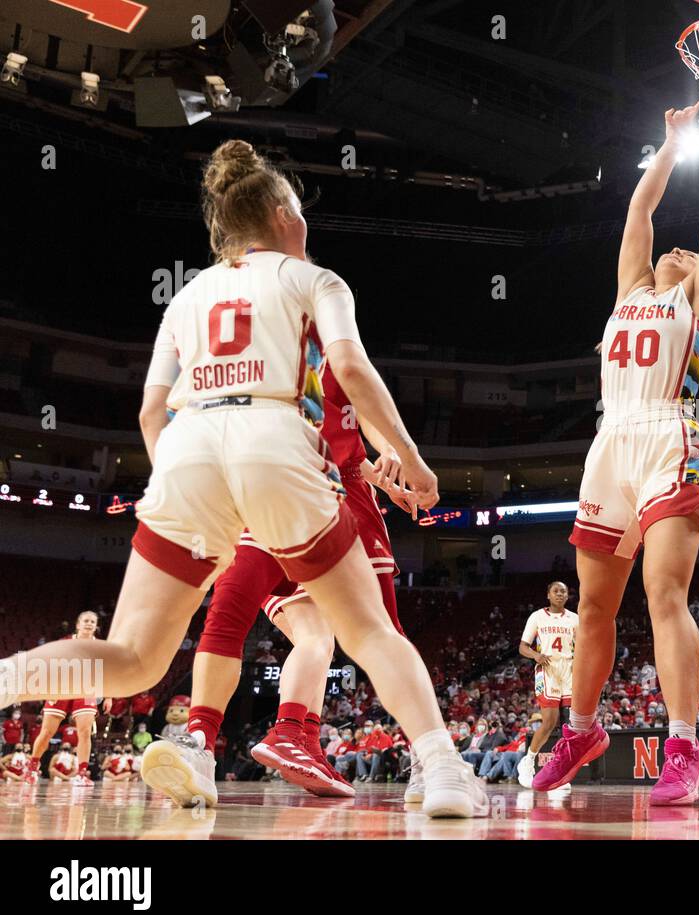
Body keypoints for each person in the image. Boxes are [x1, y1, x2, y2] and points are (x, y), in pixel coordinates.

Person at [0, 140, 484, 819]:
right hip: (275, 437)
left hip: (190, 445)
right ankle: (442, 770)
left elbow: (148, 411)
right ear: (285, 212)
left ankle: (7, 679)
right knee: (367, 629)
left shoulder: (188, 295)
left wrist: (186, 490)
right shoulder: (314, 279)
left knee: (134, 655)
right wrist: (411, 454)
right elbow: (351, 369)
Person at [534, 93, 699, 805]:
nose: (677, 248)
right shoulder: (630, 289)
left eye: (687, 254)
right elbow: (638, 213)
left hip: (669, 433)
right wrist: (673, 143)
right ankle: (584, 728)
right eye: (672, 248)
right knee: (595, 605)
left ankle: (684, 746)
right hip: (610, 441)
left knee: (663, 593)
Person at [168, 340, 419, 807]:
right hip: (272, 488)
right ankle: (200, 741)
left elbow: (358, 432)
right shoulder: (249, 357)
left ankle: (296, 737)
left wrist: (389, 464)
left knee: (330, 637)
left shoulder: (338, 357)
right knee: (233, 617)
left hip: (339, 494)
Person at [24, 611, 106, 787]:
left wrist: (110, 695)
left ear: (96, 626)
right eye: (86, 621)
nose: (89, 624)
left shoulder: (101, 647)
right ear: (78, 624)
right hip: (61, 688)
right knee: (47, 732)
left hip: (86, 689)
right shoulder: (65, 642)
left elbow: (107, 672)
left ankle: (82, 773)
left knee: (84, 733)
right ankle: (32, 768)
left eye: (93, 621)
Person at [516, 581, 578, 789]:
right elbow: (523, 647)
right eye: (556, 591)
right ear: (548, 595)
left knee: (569, 724)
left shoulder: (574, 619)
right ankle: (528, 761)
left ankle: (560, 770)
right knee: (550, 720)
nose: (560, 594)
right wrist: (536, 655)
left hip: (568, 669)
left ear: (567, 596)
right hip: (548, 668)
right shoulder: (537, 616)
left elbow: (582, 646)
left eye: (564, 591)